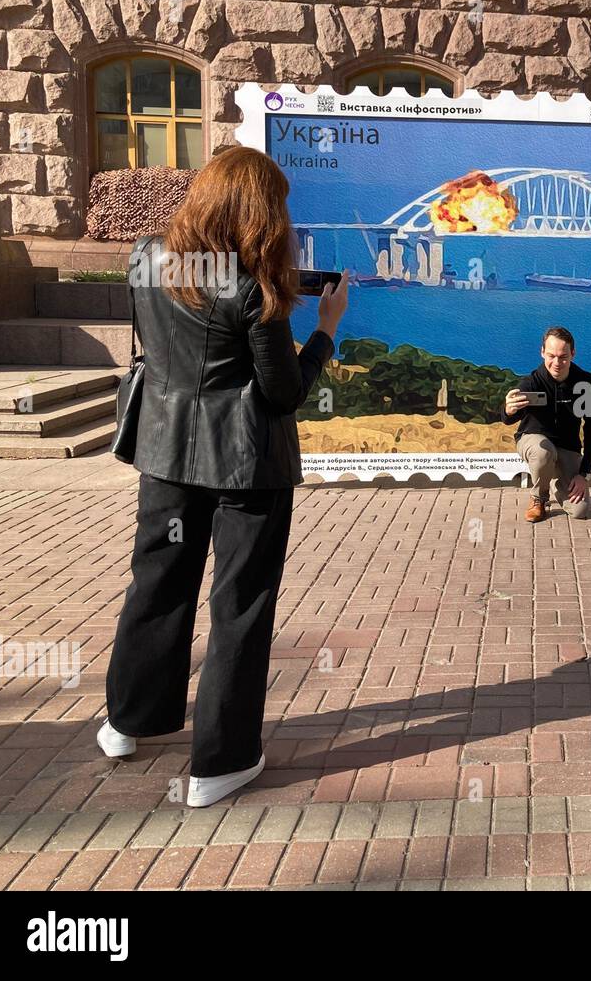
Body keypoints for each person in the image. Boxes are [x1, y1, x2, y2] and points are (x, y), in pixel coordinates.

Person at [97, 146, 348, 808]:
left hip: (165, 451)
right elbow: (283, 392)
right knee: (239, 603)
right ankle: (220, 760)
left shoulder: (147, 258)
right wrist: (324, 330)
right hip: (244, 463)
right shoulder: (253, 289)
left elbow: (161, 344)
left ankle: (129, 720)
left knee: (157, 581)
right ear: (260, 211)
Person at [503, 326, 591, 523]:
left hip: (567, 447)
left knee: (579, 511)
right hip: (533, 442)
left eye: (563, 356)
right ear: (542, 352)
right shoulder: (531, 382)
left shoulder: (585, 382)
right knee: (544, 452)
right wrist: (508, 409)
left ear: (573, 354)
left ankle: (555, 483)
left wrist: (583, 474)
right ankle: (539, 498)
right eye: (551, 355)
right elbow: (508, 419)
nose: (557, 362)